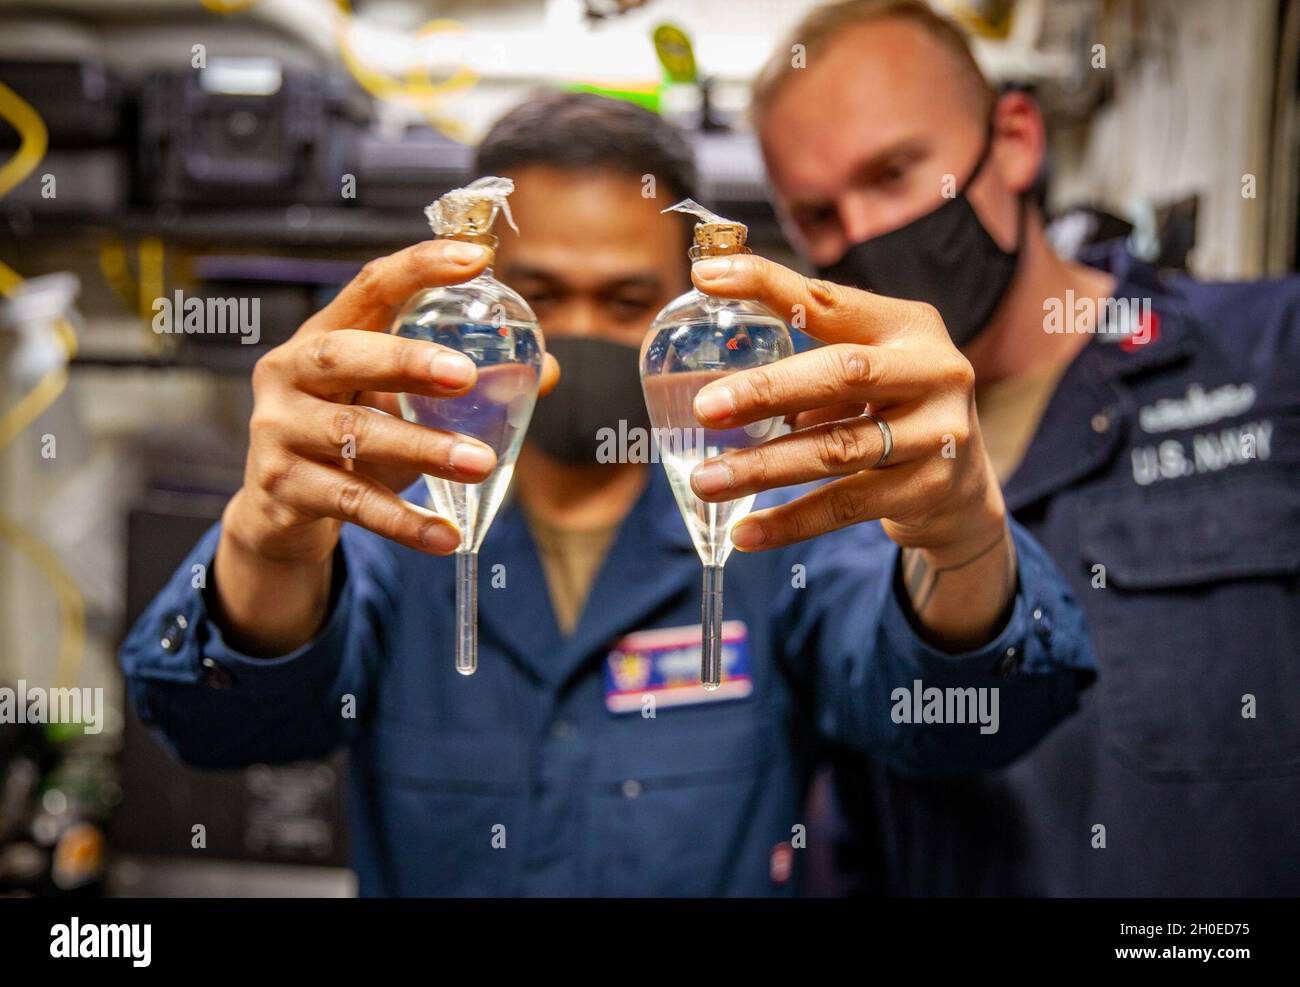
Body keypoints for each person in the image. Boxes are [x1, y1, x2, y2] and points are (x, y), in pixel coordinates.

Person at [119, 91, 1095, 896]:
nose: (577, 331)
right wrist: (270, 541)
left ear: (683, 305)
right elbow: (217, 724)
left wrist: (964, 540)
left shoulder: (765, 512)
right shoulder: (392, 508)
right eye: (540, 297)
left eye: (627, 302)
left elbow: (965, 719)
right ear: (481, 292)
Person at [752, 0, 1300, 896]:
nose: (863, 232)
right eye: (817, 215)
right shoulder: (826, 464)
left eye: (893, 173)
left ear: (1013, 140)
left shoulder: (1269, 357)